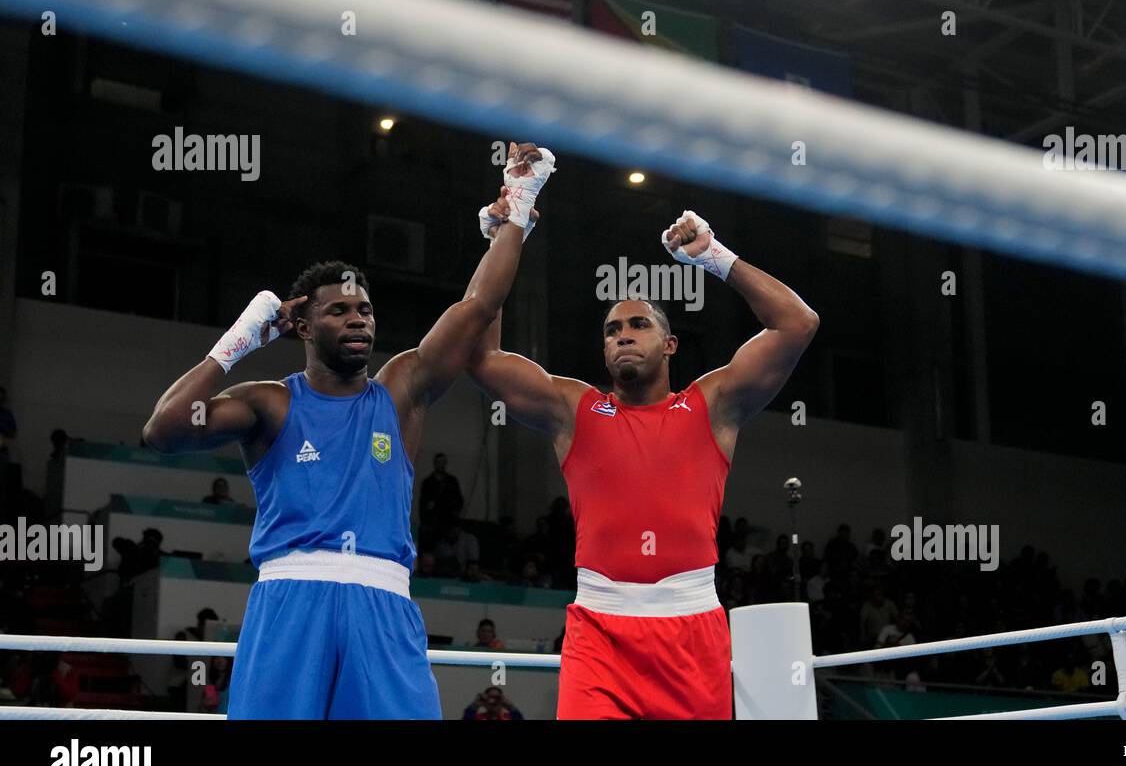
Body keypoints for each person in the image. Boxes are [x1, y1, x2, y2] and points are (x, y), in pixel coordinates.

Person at [141, 142, 553, 719]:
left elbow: (479, 305)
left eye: (364, 309)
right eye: (339, 311)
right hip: (290, 600)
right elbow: (163, 429)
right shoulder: (271, 403)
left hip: (383, 602)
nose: (357, 318)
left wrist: (517, 207)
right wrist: (240, 339)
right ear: (303, 326)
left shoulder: (401, 391)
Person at [470, 202, 818, 719]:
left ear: (670, 344)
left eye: (638, 325)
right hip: (599, 630)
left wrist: (715, 257)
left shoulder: (711, 405)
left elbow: (797, 324)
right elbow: (481, 360)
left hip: (691, 631)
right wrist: (503, 240)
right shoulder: (574, 409)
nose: (623, 335)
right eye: (612, 330)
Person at [418, 452, 462, 549]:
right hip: (433, 523)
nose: (441, 464)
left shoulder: (452, 481)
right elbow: (422, 505)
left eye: (443, 462)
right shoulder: (428, 483)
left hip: (449, 522)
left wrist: (455, 514)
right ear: (435, 463)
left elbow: (459, 500)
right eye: (439, 462)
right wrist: (425, 522)